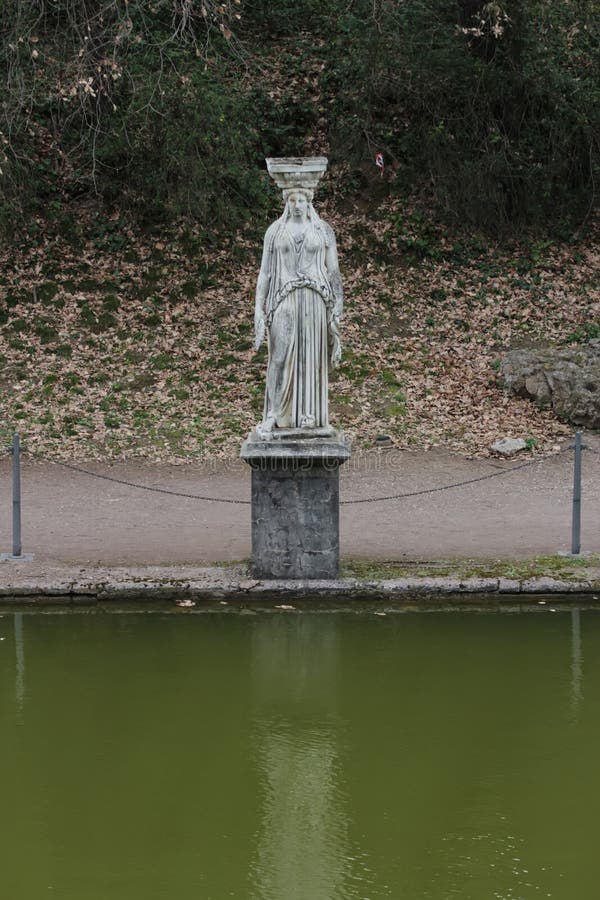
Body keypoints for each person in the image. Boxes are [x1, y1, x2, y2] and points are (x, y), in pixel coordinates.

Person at [254, 187, 343, 438]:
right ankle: (273, 413)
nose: (296, 205)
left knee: (310, 358)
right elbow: (265, 273)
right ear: (286, 202)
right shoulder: (275, 231)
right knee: (278, 357)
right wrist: (258, 308)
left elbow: (333, 270)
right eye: (292, 200)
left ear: (308, 201)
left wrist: (339, 301)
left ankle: (308, 414)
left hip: (314, 299)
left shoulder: (323, 230)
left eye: (301, 200)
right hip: (283, 299)